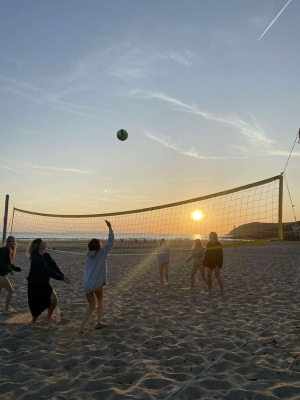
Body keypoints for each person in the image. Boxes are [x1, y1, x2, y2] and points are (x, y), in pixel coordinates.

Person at [78, 220, 114, 334]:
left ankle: (80, 328)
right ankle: (99, 322)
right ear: (99, 246)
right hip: (97, 283)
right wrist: (110, 228)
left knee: (91, 307)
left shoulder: (88, 255)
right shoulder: (102, 252)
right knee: (100, 302)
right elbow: (111, 242)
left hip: (87, 284)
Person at [27, 239, 70, 325]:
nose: (45, 243)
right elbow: (47, 271)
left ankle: (48, 317)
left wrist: (62, 276)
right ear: (38, 246)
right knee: (36, 305)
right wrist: (62, 279)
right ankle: (33, 321)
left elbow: (54, 267)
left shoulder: (46, 255)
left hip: (44, 283)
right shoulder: (35, 257)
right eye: (42, 243)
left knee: (54, 300)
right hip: (34, 284)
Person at [0, 236, 22, 314]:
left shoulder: (9, 250)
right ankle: (6, 310)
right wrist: (9, 270)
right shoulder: (5, 249)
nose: (13, 243)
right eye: (12, 241)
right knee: (10, 291)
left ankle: (5, 309)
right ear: (8, 242)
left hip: (1, 274)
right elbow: (1, 262)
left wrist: (15, 268)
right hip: (0, 274)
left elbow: (7, 263)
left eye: (14, 241)